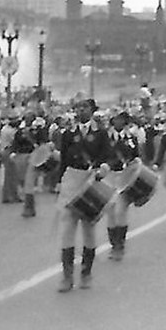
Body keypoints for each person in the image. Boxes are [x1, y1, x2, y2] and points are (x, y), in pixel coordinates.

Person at [55, 99, 112, 292]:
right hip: (71, 180)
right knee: (67, 228)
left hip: (91, 181)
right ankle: (67, 276)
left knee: (88, 227)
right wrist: (58, 182)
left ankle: (86, 273)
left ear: (92, 110)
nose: (81, 110)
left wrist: (104, 168)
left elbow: (108, 155)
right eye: (78, 107)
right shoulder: (68, 134)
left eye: (85, 107)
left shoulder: (101, 133)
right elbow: (63, 160)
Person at [104, 111, 140, 261]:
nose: (119, 121)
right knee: (110, 211)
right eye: (116, 119)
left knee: (121, 210)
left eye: (122, 119)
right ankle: (113, 245)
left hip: (125, 175)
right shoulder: (104, 137)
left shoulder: (131, 137)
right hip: (109, 175)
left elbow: (136, 156)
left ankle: (120, 245)